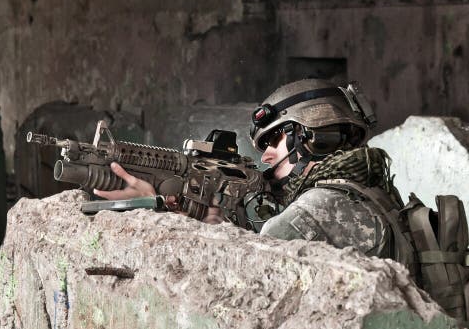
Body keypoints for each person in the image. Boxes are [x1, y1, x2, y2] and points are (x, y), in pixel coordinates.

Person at [94, 78, 404, 257]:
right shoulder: (375, 192)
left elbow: (236, 278)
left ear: (312, 139)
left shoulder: (311, 213)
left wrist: (157, 211)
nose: (266, 157)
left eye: (274, 141)